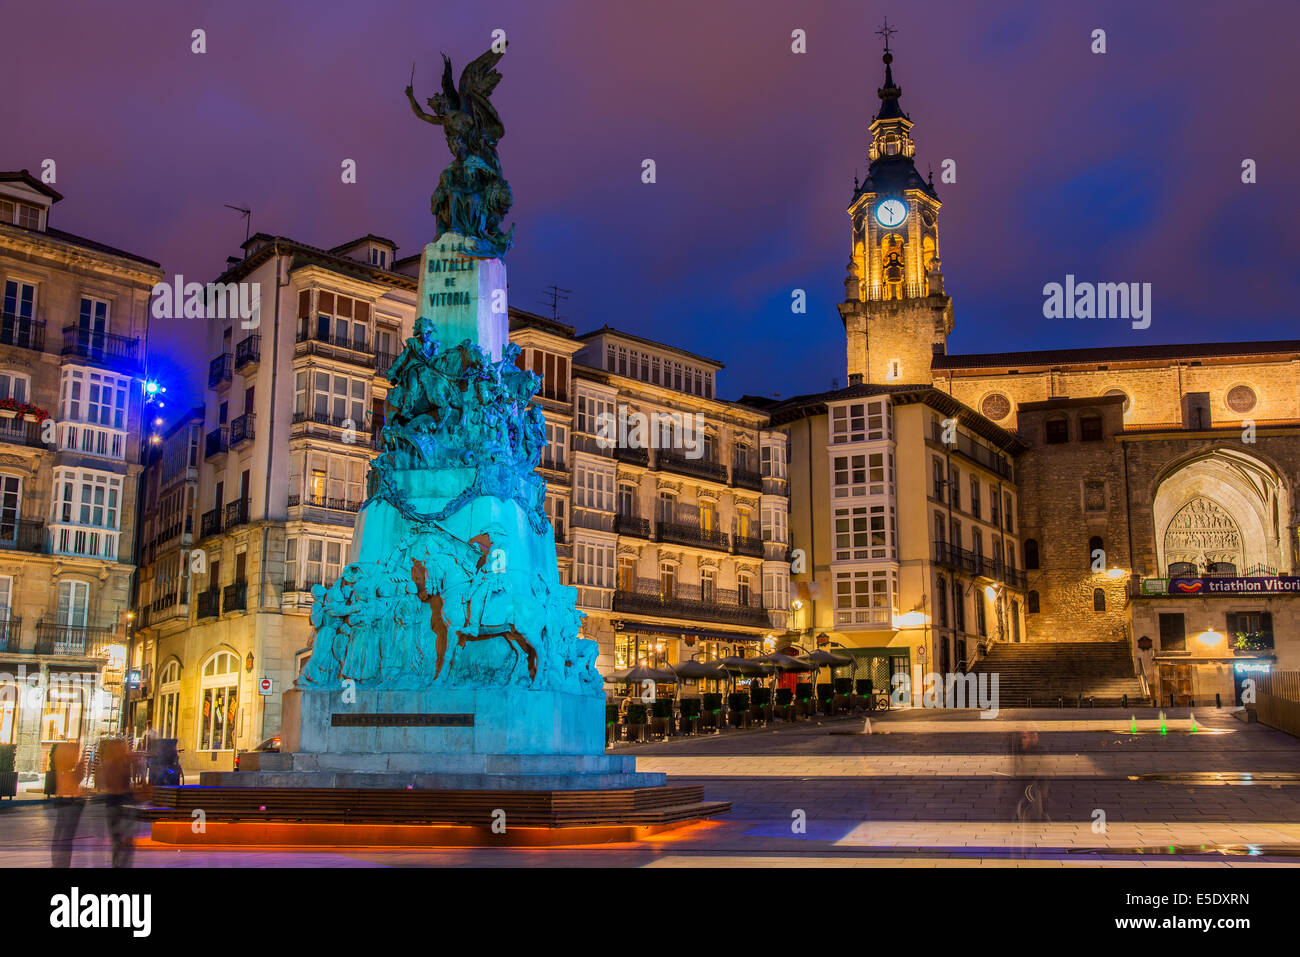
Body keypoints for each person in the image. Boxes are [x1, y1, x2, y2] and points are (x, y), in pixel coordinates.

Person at [97, 736, 137, 868]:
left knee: (121, 841)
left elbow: (105, 784)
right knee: (122, 840)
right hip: (119, 801)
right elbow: (109, 784)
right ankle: (120, 865)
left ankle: (119, 865)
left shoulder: (122, 763)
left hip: (118, 801)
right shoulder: (116, 764)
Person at [50, 740, 86, 868]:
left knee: (59, 834)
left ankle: (57, 864)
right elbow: (77, 779)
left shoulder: (60, 765)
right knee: (65, 837)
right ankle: (62, 864)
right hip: (72, 800)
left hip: (63, 799)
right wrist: (82, 765)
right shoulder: (70, 767)